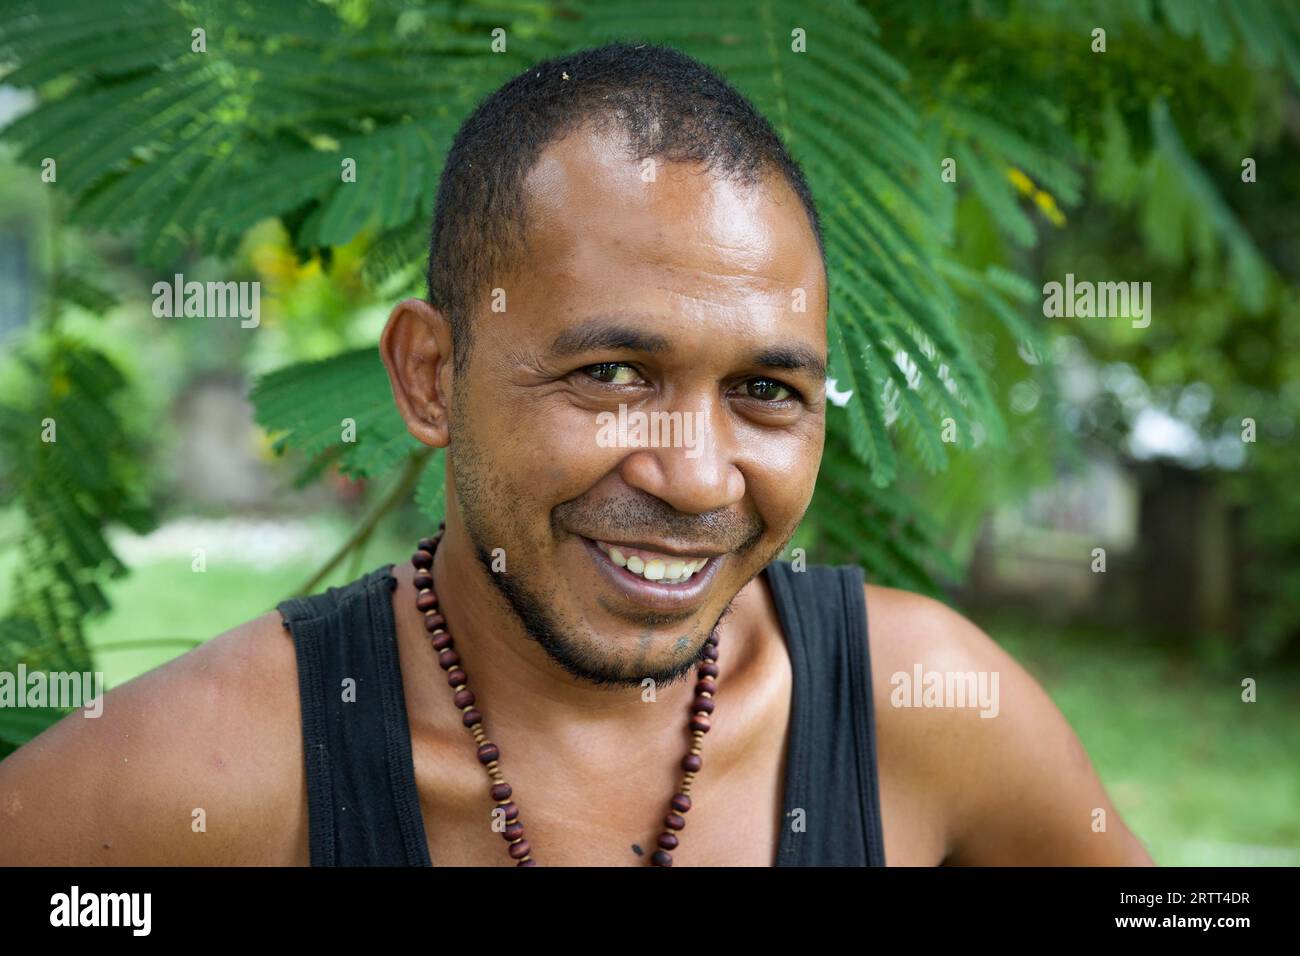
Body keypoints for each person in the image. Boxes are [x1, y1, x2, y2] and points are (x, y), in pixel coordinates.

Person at [0, 42, 1153, 867]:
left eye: (765, 390)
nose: (695, 475)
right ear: (428, 376)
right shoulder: (199, 778)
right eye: (611, 375)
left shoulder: (922, 710)